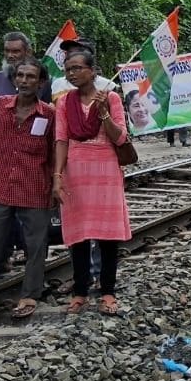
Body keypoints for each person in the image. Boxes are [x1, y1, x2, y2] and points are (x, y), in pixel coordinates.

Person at [0, 58, 54, 318]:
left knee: (36, 244)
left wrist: (55, 184)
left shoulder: (49, 114)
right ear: (15, 79)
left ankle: (30, 294)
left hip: (34, 186)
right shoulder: (0, 105)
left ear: (41, 82)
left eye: (31, 77)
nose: (24, 81)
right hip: (1, 185)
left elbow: (54, 152)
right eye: (20, 76)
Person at [52, 49, 131, 316]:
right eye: (68, 69)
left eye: (77, 68)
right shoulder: (64, 103)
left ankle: (108, 291)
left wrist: (104, 113)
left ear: (92, 70)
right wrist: (58, 176)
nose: (71, 73)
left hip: (106, 170)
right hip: (76, 172)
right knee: (78, 236)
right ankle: (80, 292)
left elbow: (120, 138)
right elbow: (61, 139)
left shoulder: (111, 98)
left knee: (108, 236)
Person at [0, 32, 52, 123]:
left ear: (28, 52)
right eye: (7, 51)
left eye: (15, 51)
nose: (10, 55)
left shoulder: (42, 81)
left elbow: (47, 115)